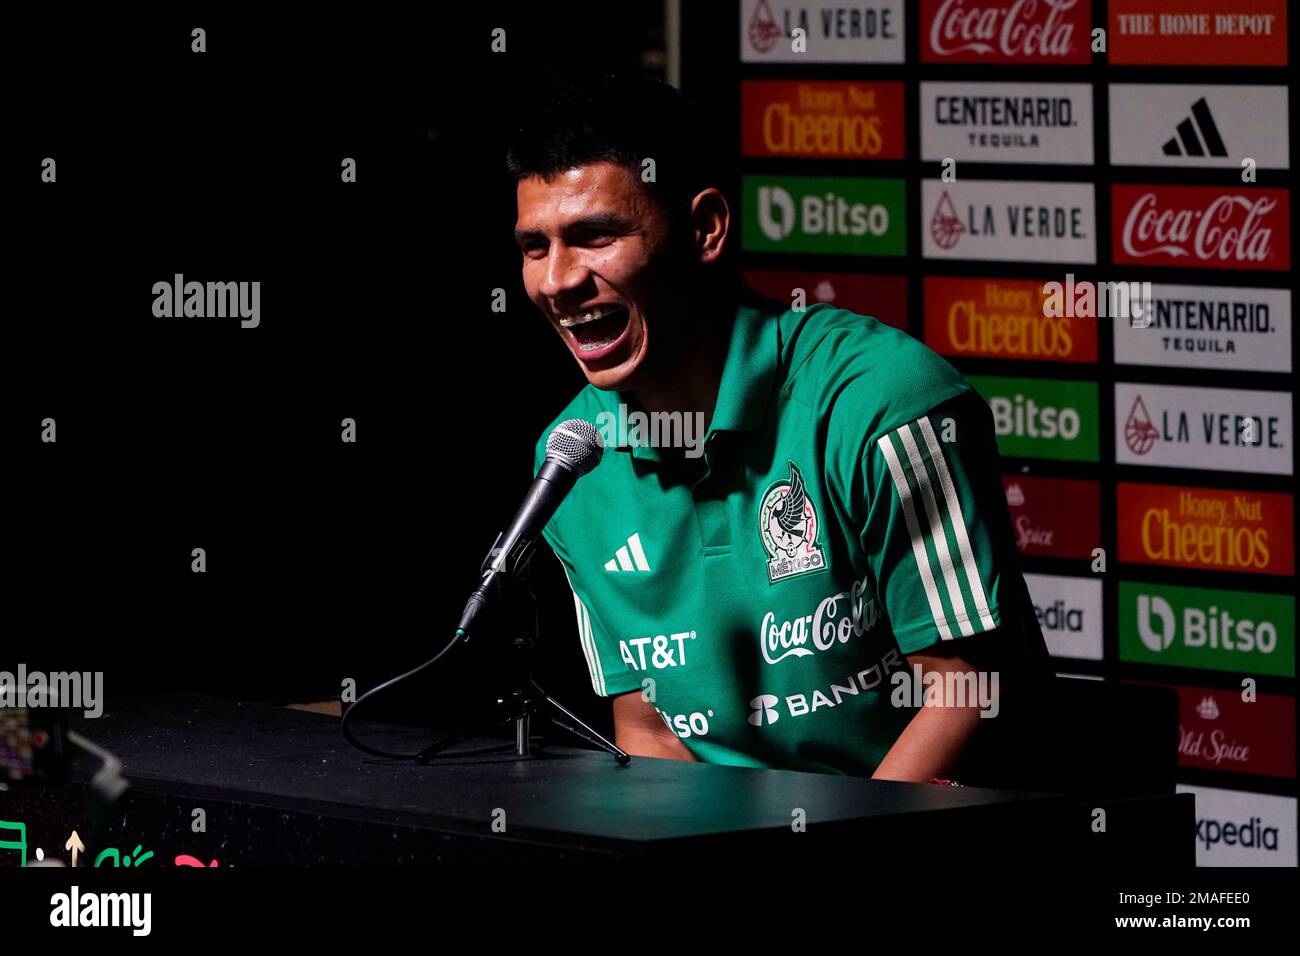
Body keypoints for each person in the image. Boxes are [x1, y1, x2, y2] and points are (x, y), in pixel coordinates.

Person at [507, 74, 1052, 783]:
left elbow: (967, 694)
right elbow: (649, 731)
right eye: (533, 246)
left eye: (594, 237)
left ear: (705, 229)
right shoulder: (571, 463)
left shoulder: (881, 401)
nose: (557, 280)